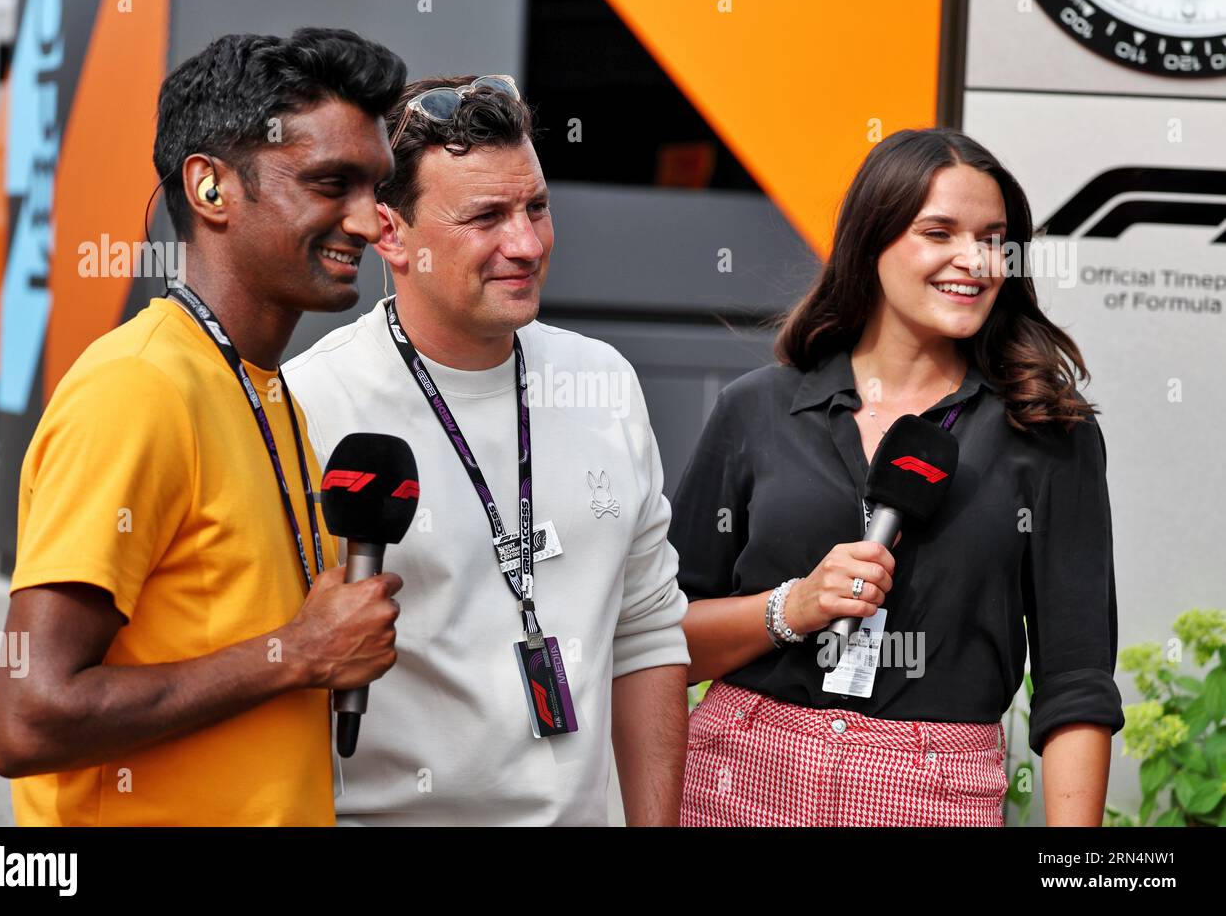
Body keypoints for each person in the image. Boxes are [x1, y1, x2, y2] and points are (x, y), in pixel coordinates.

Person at [0, 28, 409, 825]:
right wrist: (299, 653)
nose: (368, 221)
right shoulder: (137, 389)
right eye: (331, 183)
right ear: (212, 189)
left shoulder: (262, 389)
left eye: (376, 187)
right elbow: (26, 717)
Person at [670, 128, 1124, 827]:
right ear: (871, 241)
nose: (973, 260)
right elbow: (663, 639)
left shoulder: (1049, 433)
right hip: (740, 777)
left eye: (993, 238)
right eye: (938, 232)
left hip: (932, 793)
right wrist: (790, 606)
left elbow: (1076, 681)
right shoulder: (755, 409)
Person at [284, 75, 690, 825]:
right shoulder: (308, 406)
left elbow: (648, 633)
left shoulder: (604, 382)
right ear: (389, 232)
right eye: (487, 216)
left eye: (536, 206)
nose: (526, 243)